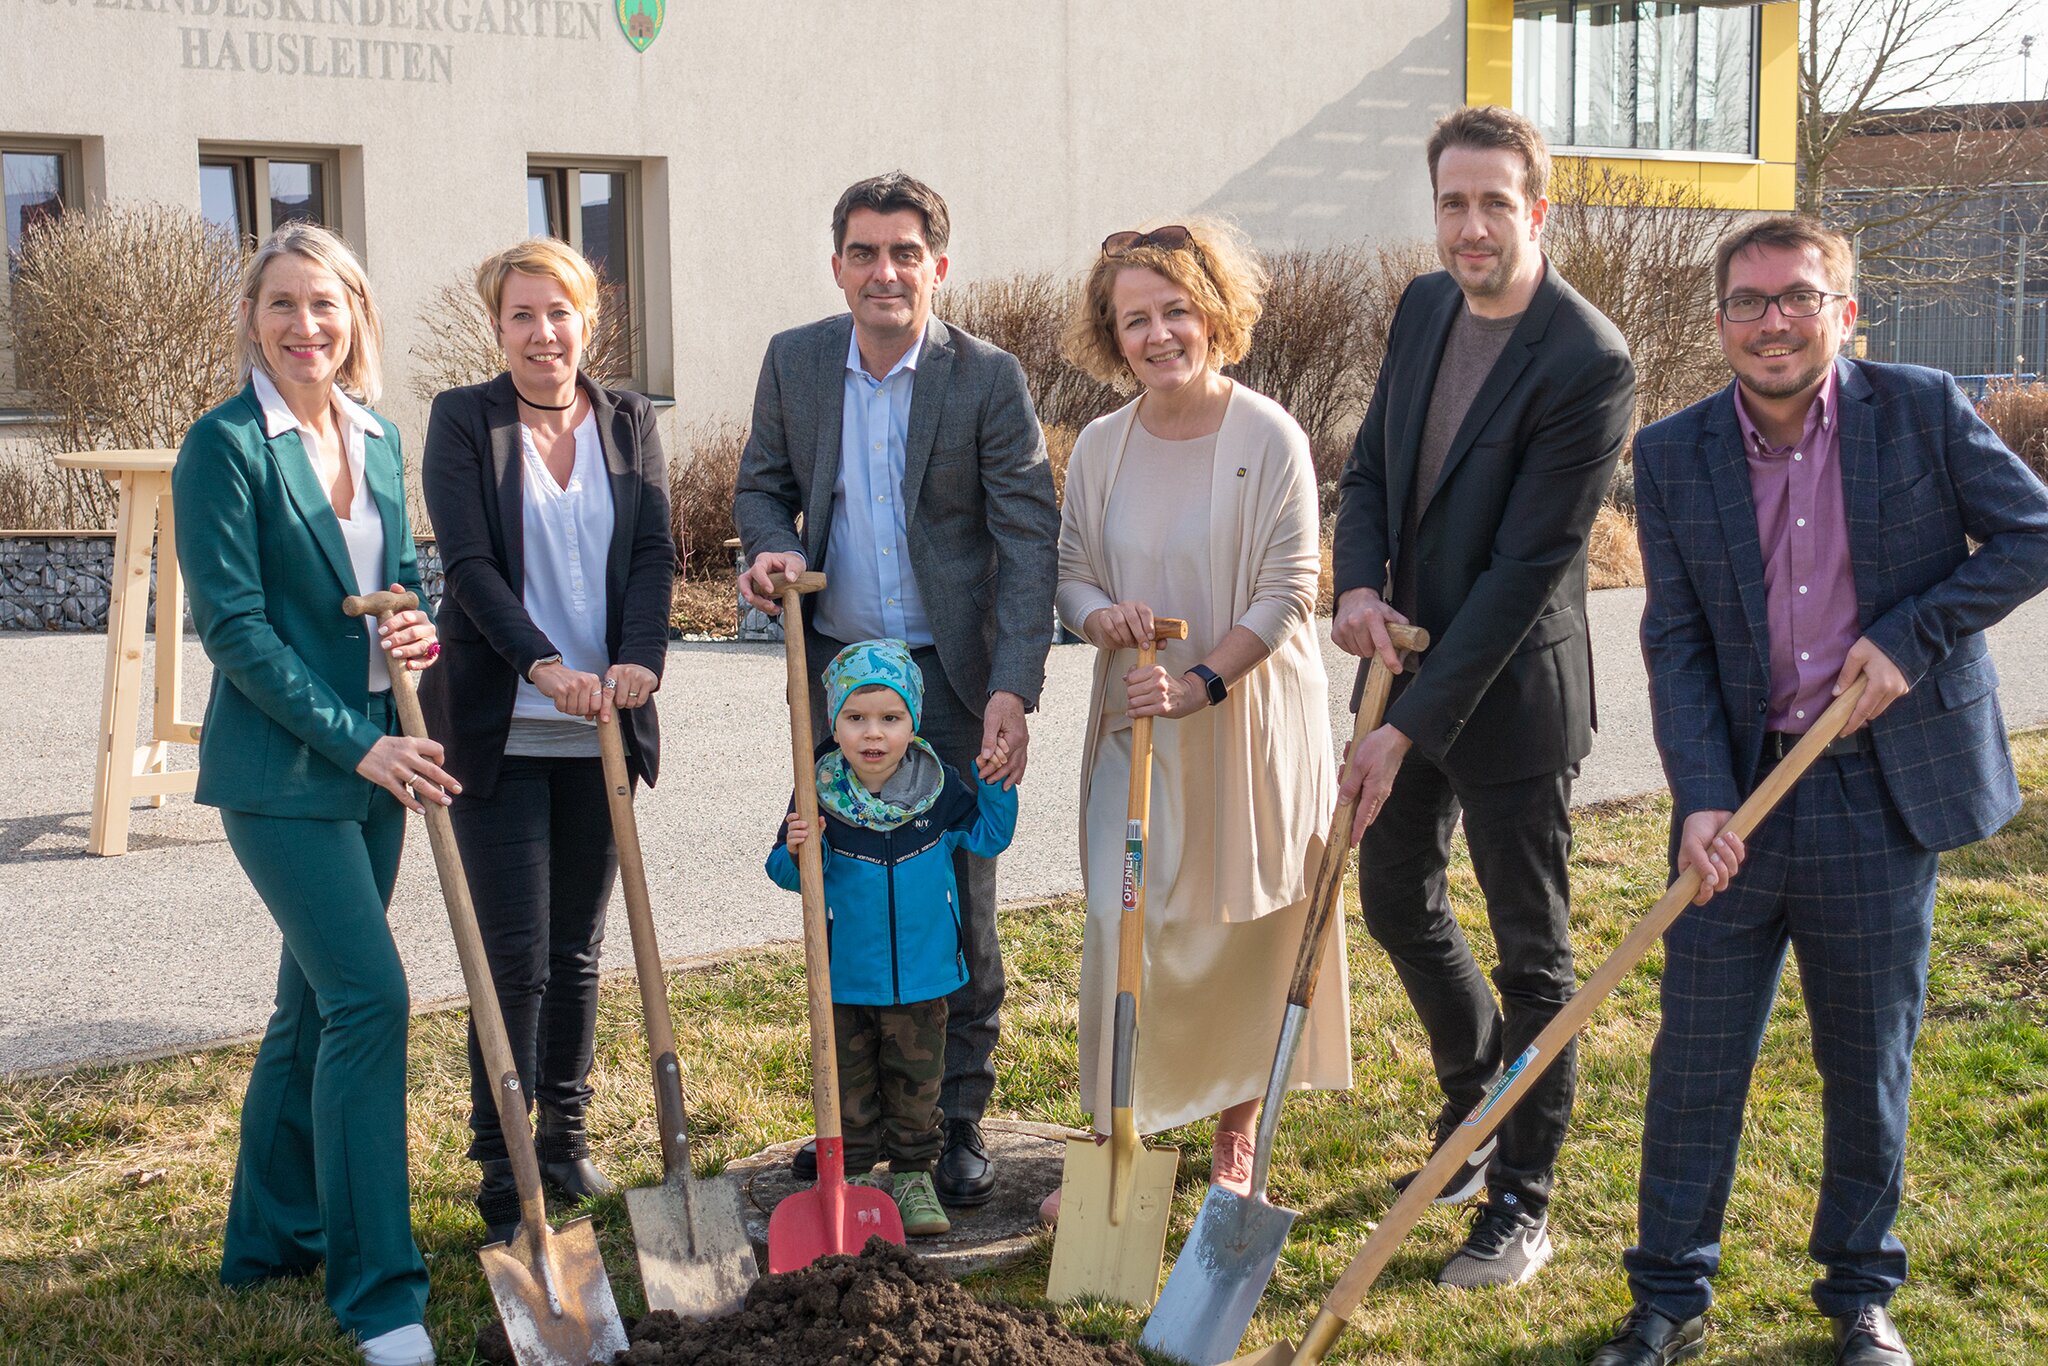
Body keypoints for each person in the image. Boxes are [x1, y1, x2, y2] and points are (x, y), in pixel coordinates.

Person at [1589, 217, 2048, 1366]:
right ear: (1718, 325)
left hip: (1876, 794)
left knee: (1865, 1056)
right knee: (1693, 1056)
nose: (1770, 321)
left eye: (1796, 297)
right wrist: (1697, 795)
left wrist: (1911, 635)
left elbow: (2029, 533)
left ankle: (1856, 1294)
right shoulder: (1674, 451)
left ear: (1843, 314)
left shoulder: (1920, 410)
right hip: (1739, 798)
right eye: (1746, 303)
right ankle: (1666, 1296)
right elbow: (1676, 642)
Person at [1330, 104, 1635, 1288]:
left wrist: (1401, 728)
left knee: (1531, 957)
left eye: (1492, 203)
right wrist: (1355, 585)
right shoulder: (1418, 307)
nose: (1468, 226)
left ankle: (1522, 1198)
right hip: (1396, 664)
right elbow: (1366, 468)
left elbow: (1522, 576)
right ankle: (1475, 1116)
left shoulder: (1585, 358)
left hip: (1509, 702)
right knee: (1393, 899)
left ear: (1536, 208)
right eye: (1451, 202)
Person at [734, 171, 1059, 1206]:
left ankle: (953, 1117)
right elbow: (761, 485)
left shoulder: (986, 378)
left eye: (905, 252)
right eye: (865, 252)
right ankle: (856, 1118)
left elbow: (1027, 535)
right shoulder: (793, 362)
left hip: (952, 679)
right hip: (838, 677)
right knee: (840, 895)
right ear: (837, 266)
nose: (885, 271)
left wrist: (1013, 686)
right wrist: (772, 546)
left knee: (957, 904)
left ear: (938, 267)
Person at [175, 222, 445, 1366]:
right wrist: (357, 742)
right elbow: (234, 630)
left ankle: (266, 1236)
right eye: (282, 305)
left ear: (355, 319)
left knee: (312, 1011)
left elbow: (399, 578)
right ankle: (380, 1293)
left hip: (378, 758)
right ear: (252, 318)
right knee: (371, 1000)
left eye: (324, 306)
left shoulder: (377, 436)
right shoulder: (223, 445)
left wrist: (417, 623)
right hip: (285, 774)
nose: (304, 327)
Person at [1049, 218, 1348, 1223]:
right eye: (1134, 319)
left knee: (1242, 922)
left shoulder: (1267, 435)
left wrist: (1202, 683)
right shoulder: (1100, 443)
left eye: (1175, 309)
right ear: (1111, 335)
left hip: (1247, 714)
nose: (1157, 333)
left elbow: (1287, 587)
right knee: (1116, 916)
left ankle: (1232, 1134)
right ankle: (1110, 1135)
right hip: (1136, 719)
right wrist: (1102, 618)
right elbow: (1071, 567)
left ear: (1214, 314)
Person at [419, 238, 676, 1245]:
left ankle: (563, 1141)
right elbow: (471, 568)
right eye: (521, 316)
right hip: (503, 723)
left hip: (602, 724)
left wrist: (638, 657)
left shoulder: (627, 419)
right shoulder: (464, 421)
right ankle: (502, 1164)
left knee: (576, 950)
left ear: (588, 320)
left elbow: (654, 549)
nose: (541, 333)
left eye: (557, 313)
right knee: (513, 953)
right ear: (499, 328)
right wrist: (541, 666)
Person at [766, 639, 1020, 1236]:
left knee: (916, 1084)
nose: (872, 734)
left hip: (924, 975)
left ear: (914, 722)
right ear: (834, 724)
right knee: (848, 1086)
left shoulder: (940, 792)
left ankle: (911, 1173)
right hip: (848, 977)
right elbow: (784, 874)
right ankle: (849, 1180)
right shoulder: (820, 791)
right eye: (855, 719)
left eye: (890, 718)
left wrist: (996, 787)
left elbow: (987, 838)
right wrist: (800, 848)